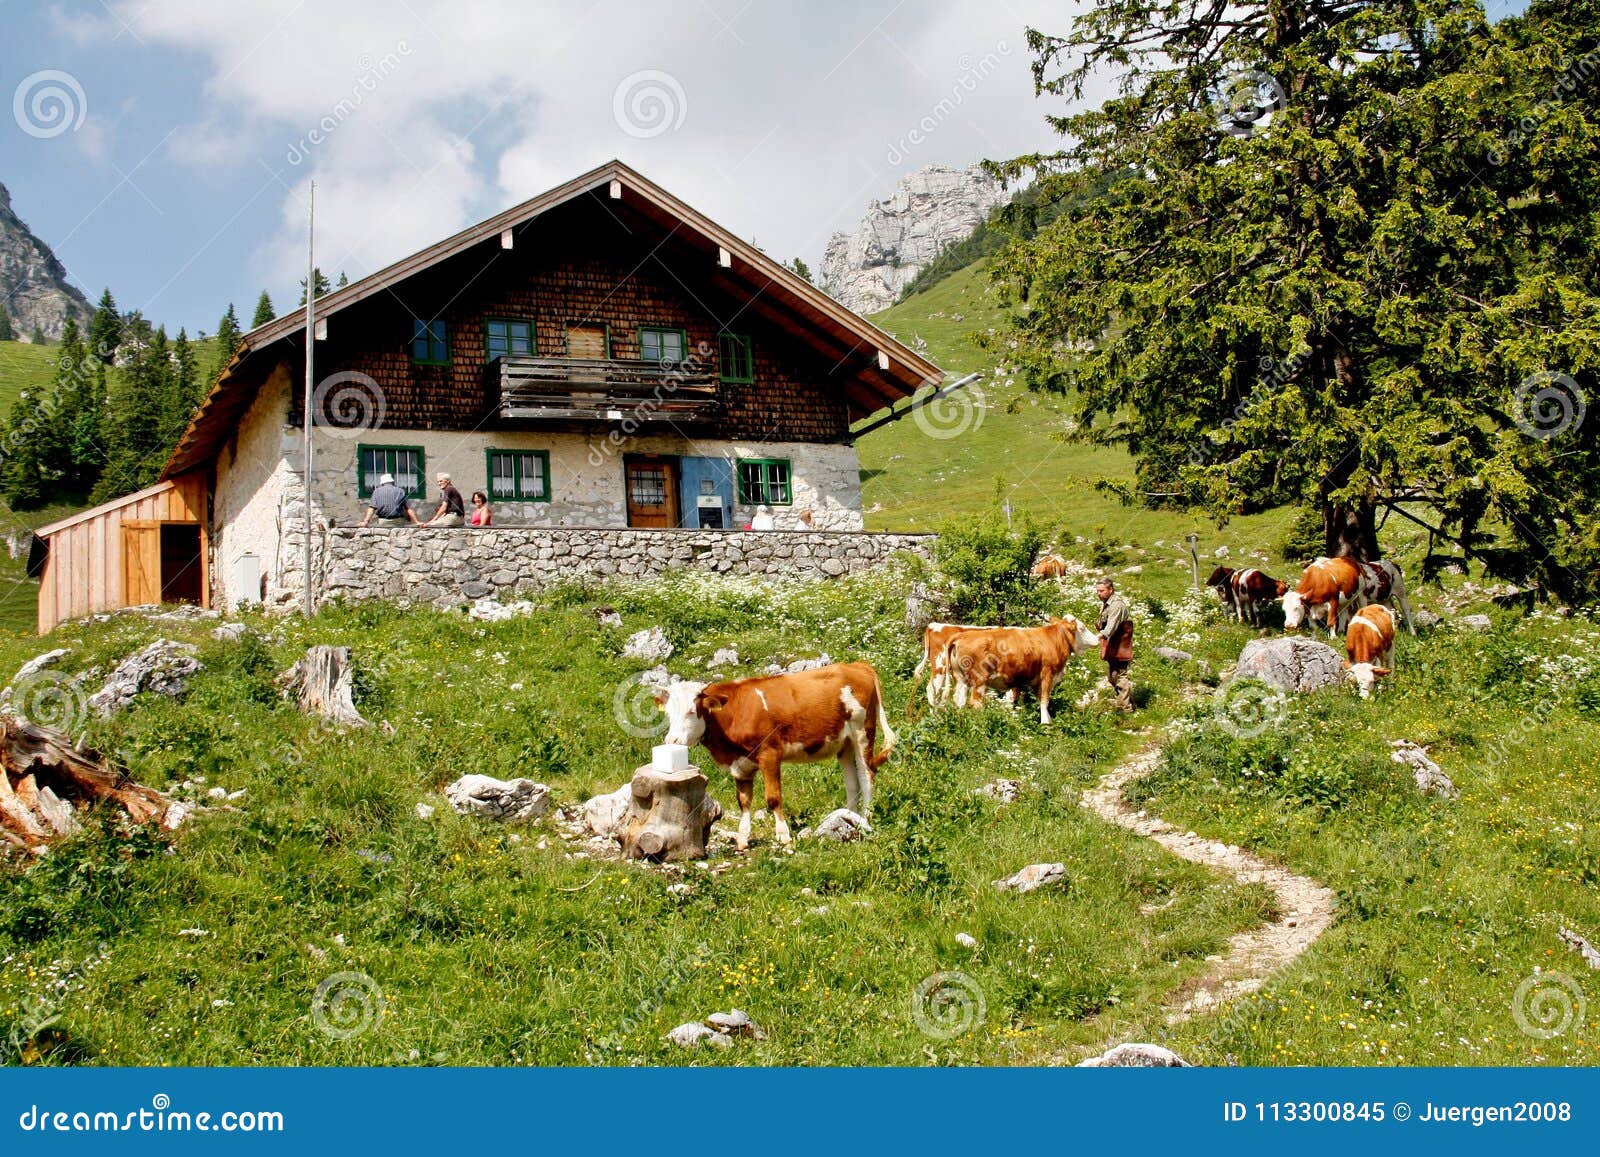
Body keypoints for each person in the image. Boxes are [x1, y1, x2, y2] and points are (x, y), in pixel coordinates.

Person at [1095, 576, 1135, 712]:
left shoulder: (1116, 605)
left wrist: (1097, 637)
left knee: (1120, 676)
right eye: (1098, 591)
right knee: (1113, 677)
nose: (1099, 594)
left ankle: (1125, 709)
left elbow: (1110, 627)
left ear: (1110, 589)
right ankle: (1128, 701)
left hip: (1120, 646)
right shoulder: (1107, 603)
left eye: (1101, 591)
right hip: (1113, 646)